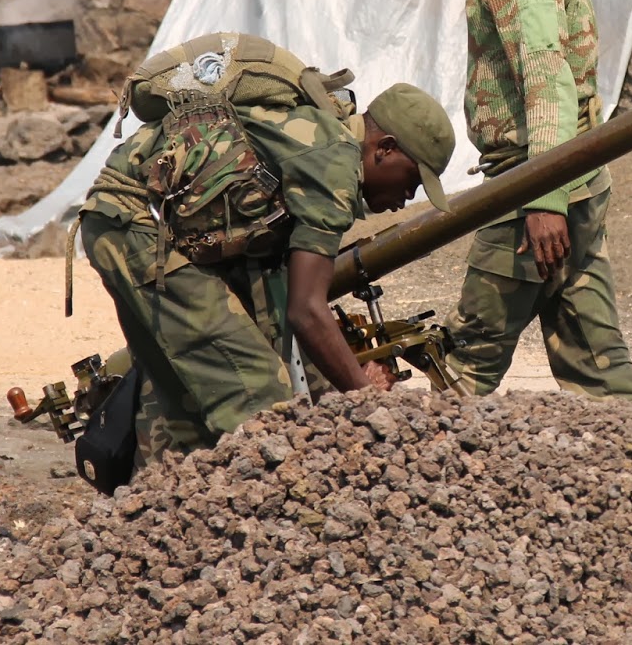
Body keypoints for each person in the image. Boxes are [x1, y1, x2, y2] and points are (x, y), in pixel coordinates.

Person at [78, 48, 456, 464]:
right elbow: (306, 311)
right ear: (384, 148)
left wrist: (338, 384)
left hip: (117, 219)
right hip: (138, 223)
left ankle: (163, 511)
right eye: (411, 180)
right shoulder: (334, 168)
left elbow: (275, 305)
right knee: (258, 396)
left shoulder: (317, 139)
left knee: (184, 407)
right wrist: (366, 399)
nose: (406, 200)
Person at [403, 0, 632, 401]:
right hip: (567, 181)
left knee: (465, 364)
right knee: (595, 361)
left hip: (531, 190)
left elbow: (546, 81)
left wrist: (543, 201)